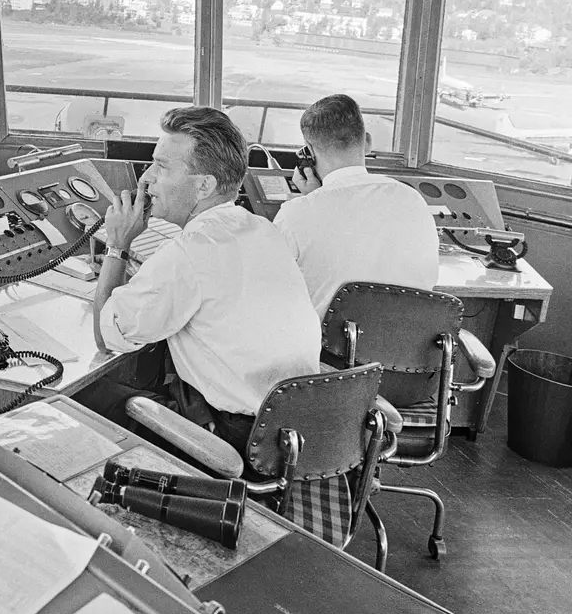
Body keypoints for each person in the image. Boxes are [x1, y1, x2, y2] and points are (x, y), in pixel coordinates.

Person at [93, 106, 321, 458]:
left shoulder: (191, 252)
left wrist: (117, 245)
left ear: (204, 186)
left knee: (87, 395)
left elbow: (106, 333)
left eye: (162, 166)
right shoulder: (264, 230)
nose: (147, 179)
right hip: (298, 425)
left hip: (239, 440)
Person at [273, 93, 439, 318]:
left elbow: (271, 284)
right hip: (407, 348)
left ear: (309, 153)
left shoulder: (296, 214)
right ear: (367, 142)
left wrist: (312, 199)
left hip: (329, 350)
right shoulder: (413, 199)